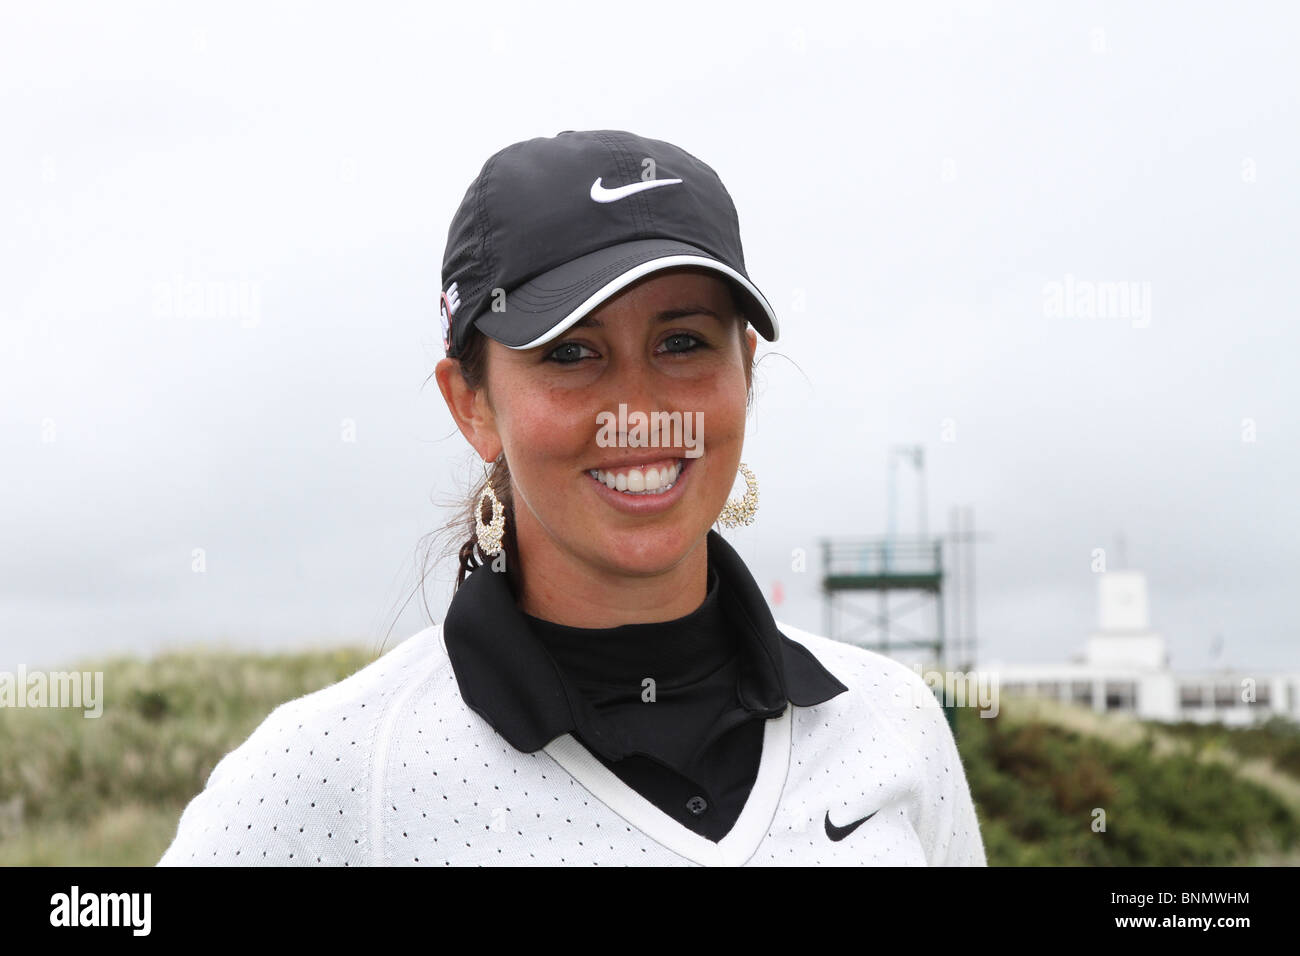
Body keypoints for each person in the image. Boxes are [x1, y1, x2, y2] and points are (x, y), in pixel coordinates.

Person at [157, 129, 987, 866]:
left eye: (683, 342)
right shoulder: (329, 772)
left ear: (746, 372)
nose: (637, 411)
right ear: (472, 404)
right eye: (571, 354)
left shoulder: (891, 724)